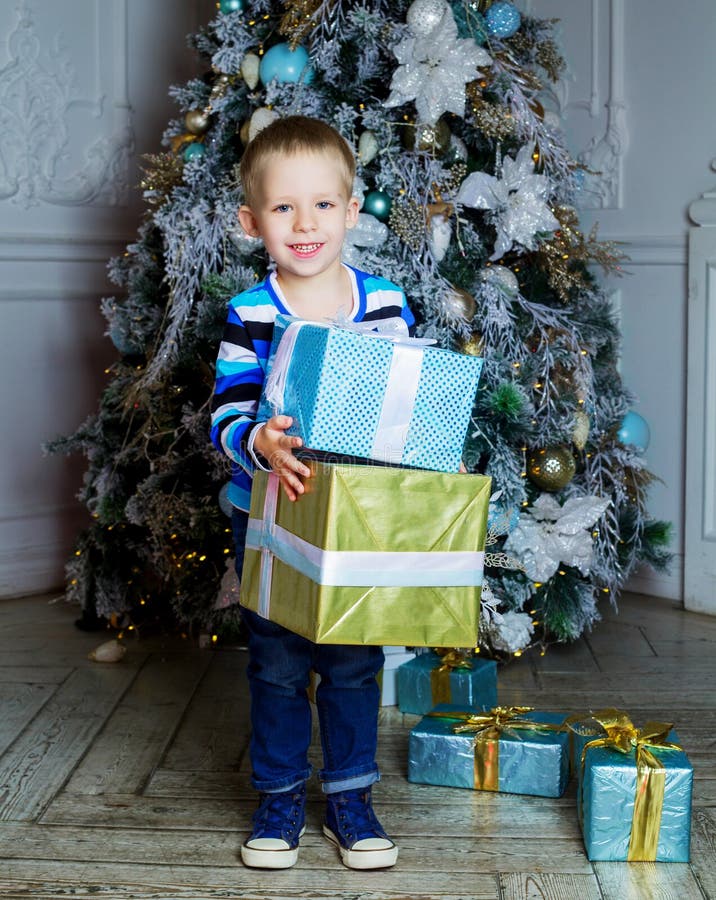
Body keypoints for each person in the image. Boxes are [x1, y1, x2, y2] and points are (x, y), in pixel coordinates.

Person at [210, 115, 415, 871]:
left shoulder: (385, 304)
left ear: (352, 211)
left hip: (358, 516)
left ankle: (353, 798)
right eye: (284, 207)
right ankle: (279, 796)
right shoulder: (251, 312)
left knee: (356, 661)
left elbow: (405, 405)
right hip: (269, 513)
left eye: (323, 205)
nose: (305, 224)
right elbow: (227, 412)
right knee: (276, 661)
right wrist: (256, 440)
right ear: (251, 220)